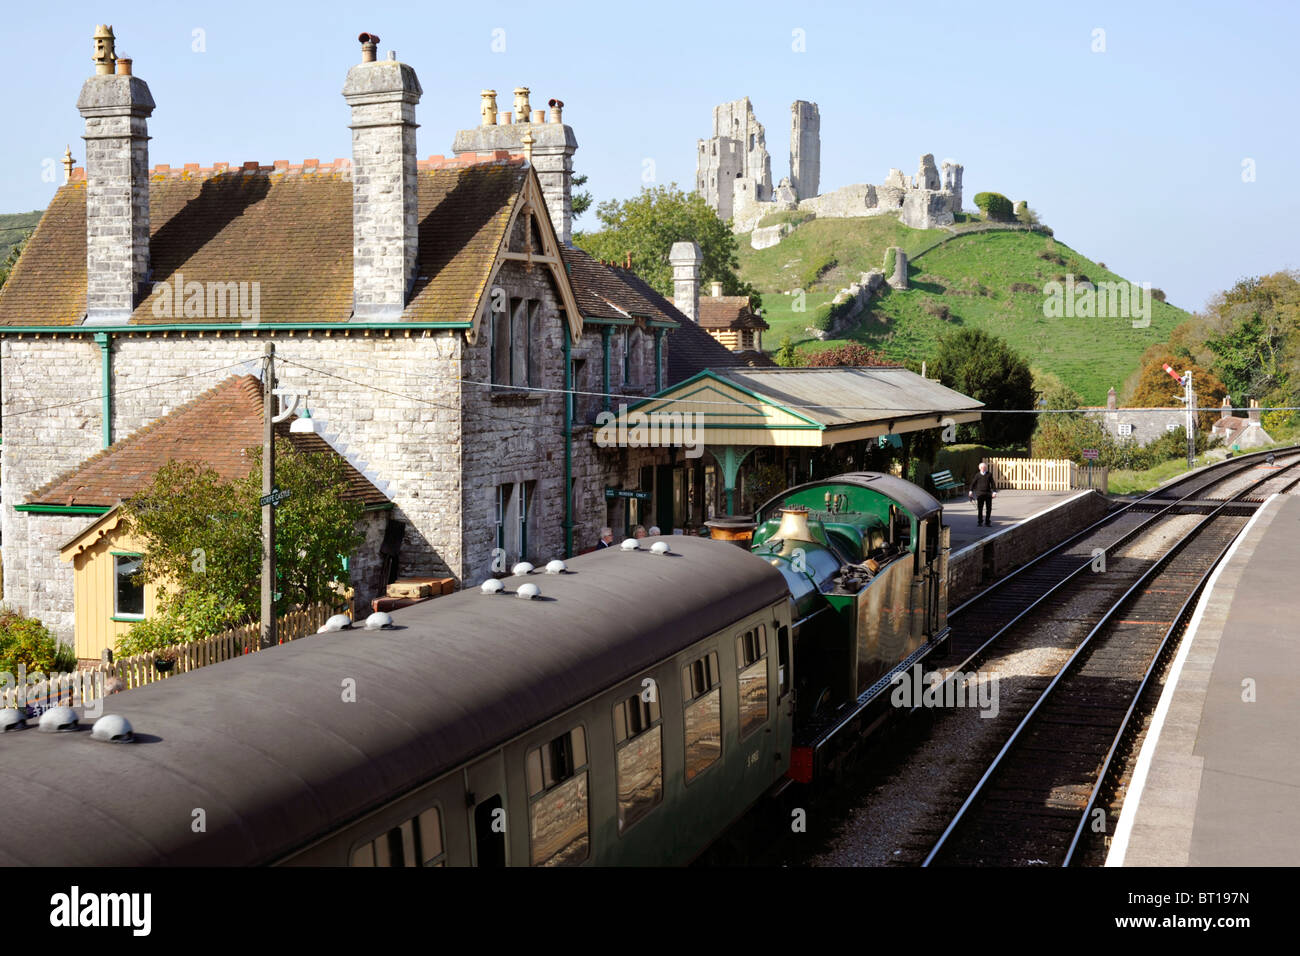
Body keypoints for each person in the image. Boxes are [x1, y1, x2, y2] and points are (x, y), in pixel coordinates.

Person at [968, 461, 997, 527]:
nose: (984, 468)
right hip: (980, 494)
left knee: (989, 508)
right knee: (980, 508)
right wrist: (970, 491)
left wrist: (994, 492)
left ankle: (987, 522)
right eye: (982, 467)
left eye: (985, 467)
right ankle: (980, 521)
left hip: (988, 493)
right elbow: (973, 483)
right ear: (979, 468)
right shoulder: (977, 475)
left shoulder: (989, 474)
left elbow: (992, 484)